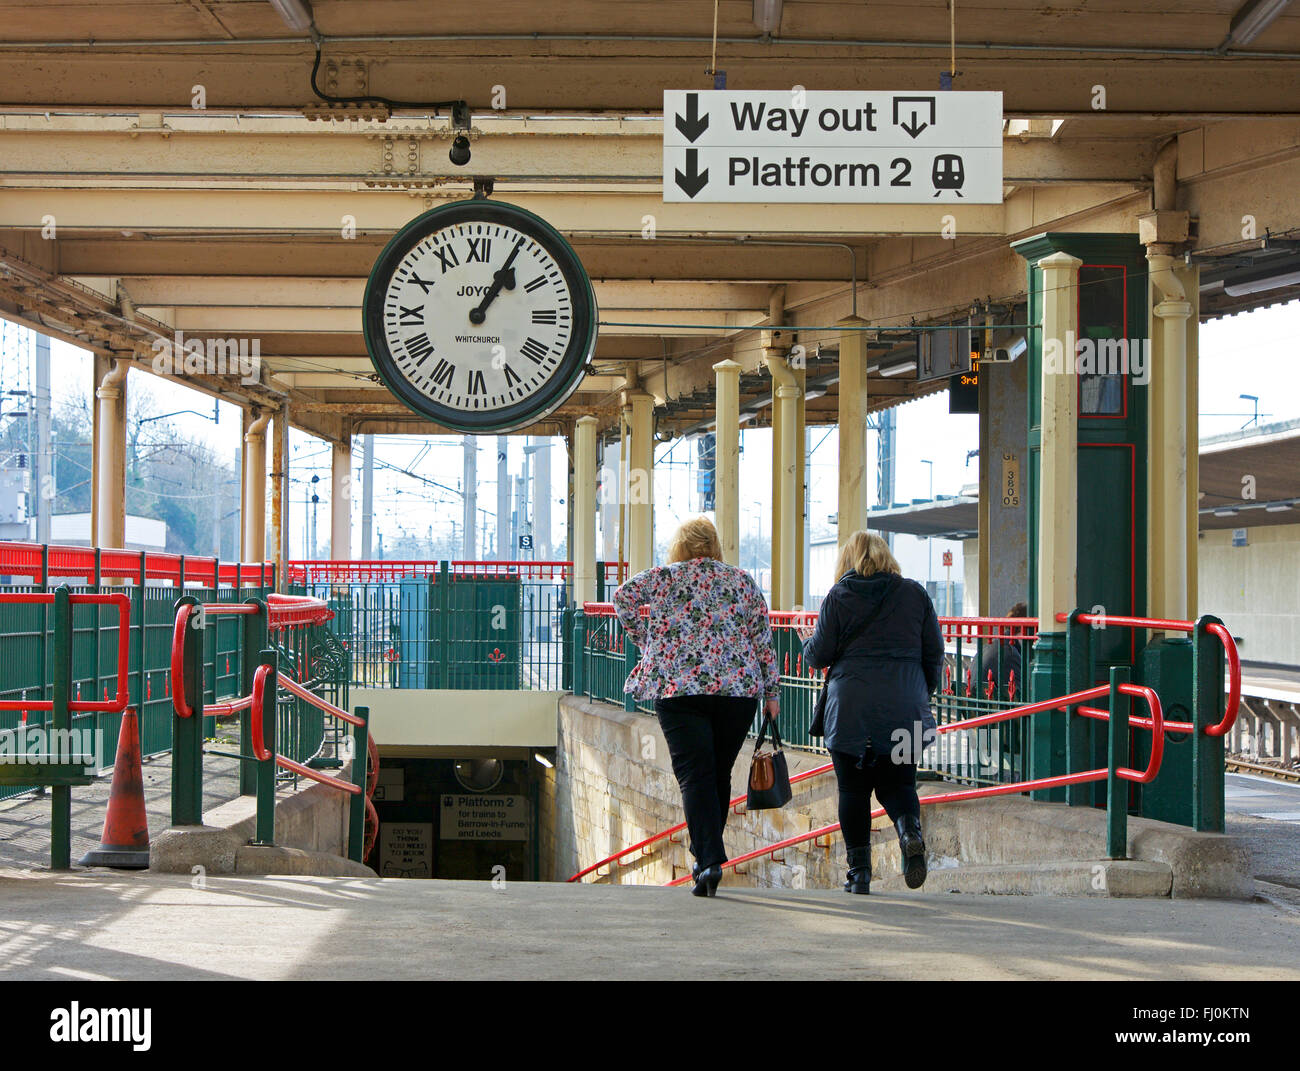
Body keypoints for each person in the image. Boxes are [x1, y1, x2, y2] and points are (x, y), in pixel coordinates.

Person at [613, 517, 779, 898]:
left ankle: (708, 860)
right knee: (717, 773)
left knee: (694, 776)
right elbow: (762, 637)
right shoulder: (742, 580)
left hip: (679, 689)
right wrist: (773, 694)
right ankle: (708, 857)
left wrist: (649, 642)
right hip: (738, 692)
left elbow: (623, 597)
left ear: (681, 547)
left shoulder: (665, 576)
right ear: (715, 546)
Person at [797, 531, 943, 895]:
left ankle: (859, 874)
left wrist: (804, 643)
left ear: (847, 559)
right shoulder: (916, 594)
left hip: (851, 709)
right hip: (906, 704)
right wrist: (921, 692)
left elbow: (818, 656)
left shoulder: (838, 597)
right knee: (900, 783)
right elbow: (934, 653)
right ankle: (909, 831)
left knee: (853, 789)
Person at [979, 602, 1027, 700]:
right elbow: (1021, 698)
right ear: (1024, 630)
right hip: (993, 712)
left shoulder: (989, 646)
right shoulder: (1010, 654)